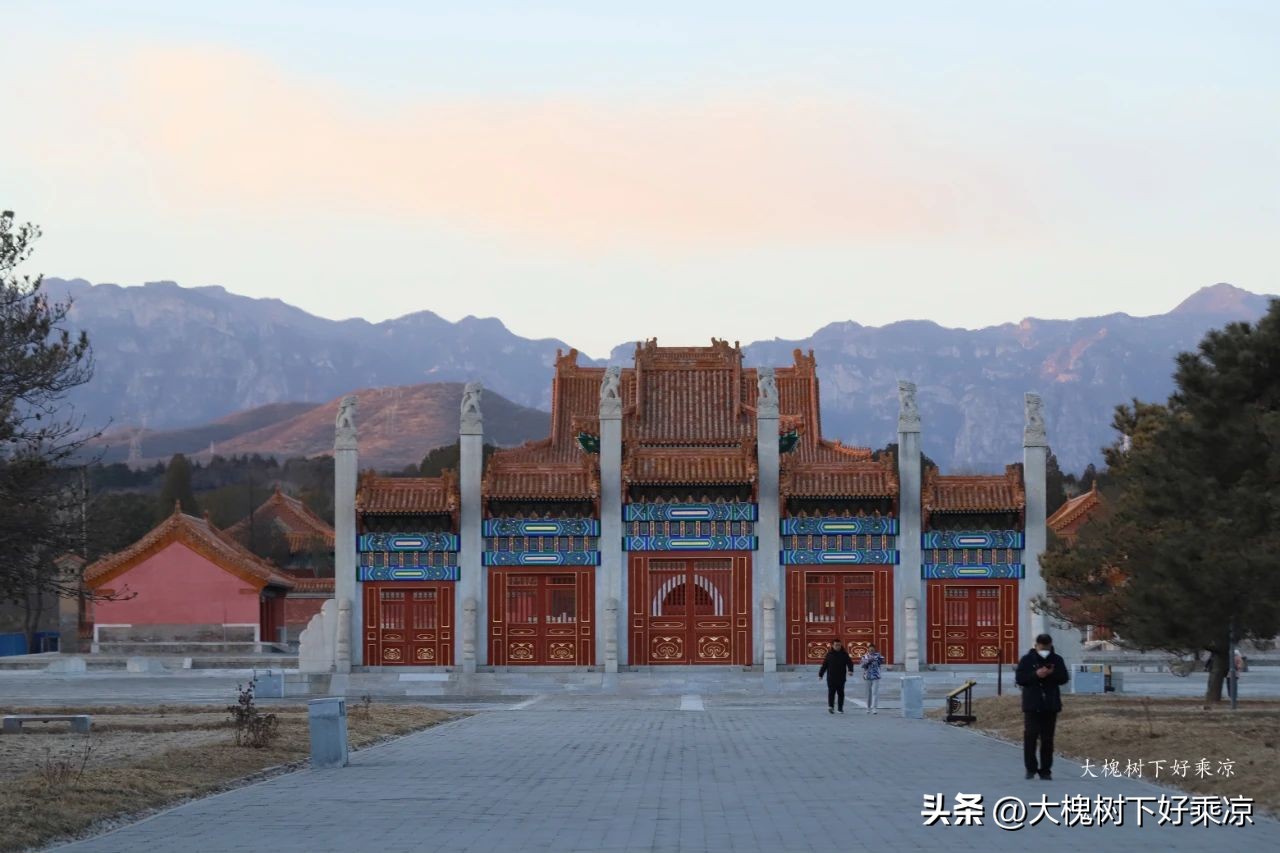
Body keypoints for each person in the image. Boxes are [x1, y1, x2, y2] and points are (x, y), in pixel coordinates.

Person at [1015, 633, 1070, 780]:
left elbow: (1064, 678)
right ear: (1036, 646)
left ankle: (1045, 770)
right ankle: (1030, 769)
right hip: (1032, 704)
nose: (1044, 649)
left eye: (1047, 646)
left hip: (1050, 704)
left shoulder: (1057, 659)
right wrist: (1036, 674)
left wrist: (1051, 674)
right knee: (1030, 737)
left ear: (1051, 645)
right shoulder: (1027, 660)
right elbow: (1020, 679)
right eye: (1042, 646)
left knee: (1047, 739)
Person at [818, 639, 854, 714]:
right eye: (836, 645)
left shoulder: (844, 654)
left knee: (841, 693)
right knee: (831, 692)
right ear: (832, 645)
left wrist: (850, 670)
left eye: (839, 645)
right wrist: (820, 674)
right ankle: (831, 707)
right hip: (831, 677)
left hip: (841, 677)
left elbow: (850, 663)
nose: (838, 646)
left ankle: (840, 708)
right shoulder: (829, 654)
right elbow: (824, 665)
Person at [860, 643, 886, 715]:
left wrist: (877, 659)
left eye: (873, 649)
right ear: (868, 649)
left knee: (875, 692)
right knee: (868, 693)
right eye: (870, 649)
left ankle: (874, 708)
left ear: (874, 649)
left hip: (876, 676)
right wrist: (868, 661)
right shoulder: (865, 656)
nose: (871, 650)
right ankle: (868, 708)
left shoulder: (878, 656)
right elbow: (862, 665)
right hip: (867, 676)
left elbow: (882, 661)